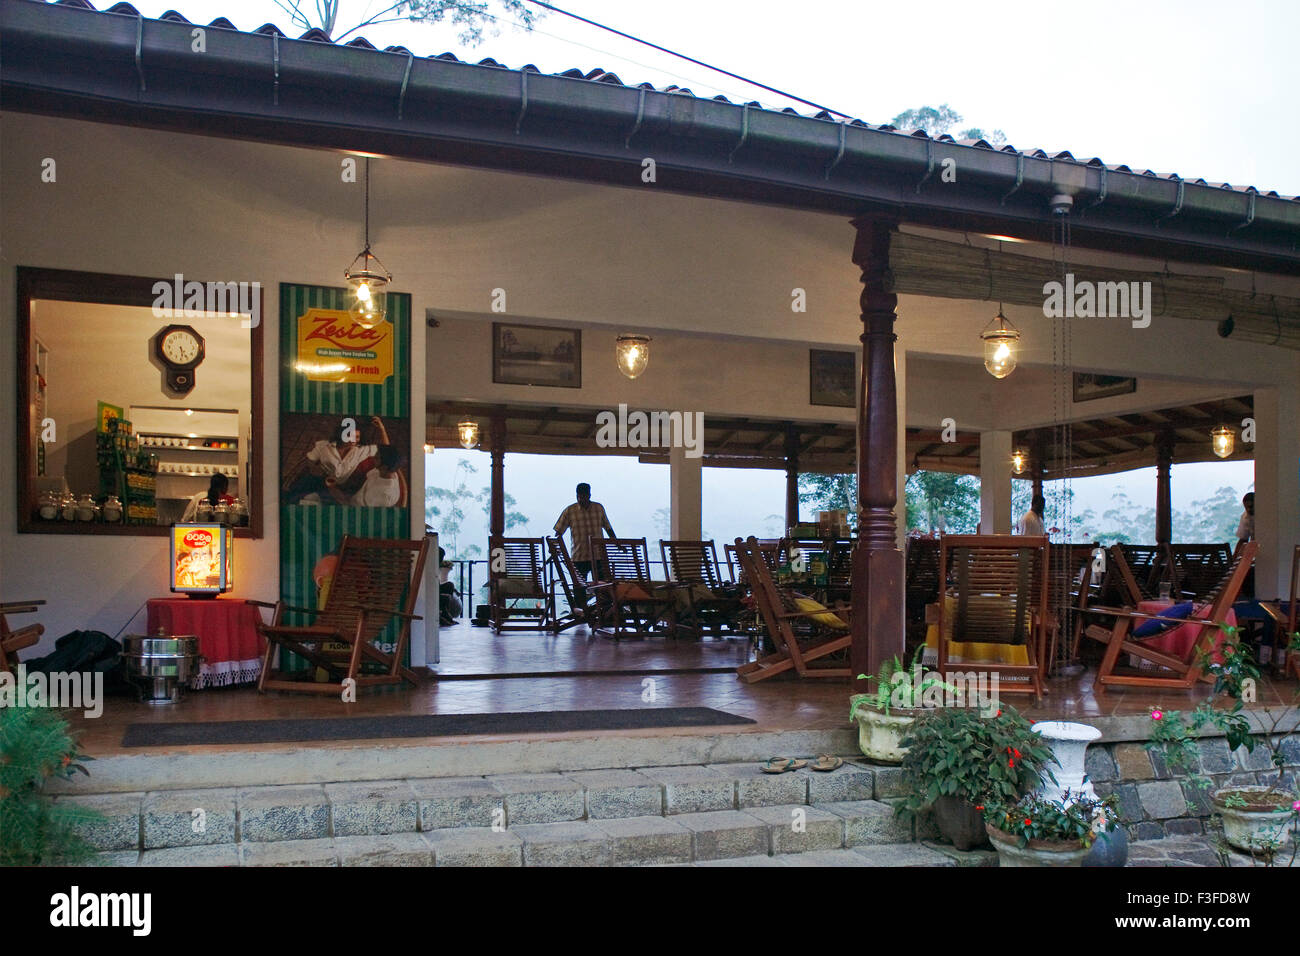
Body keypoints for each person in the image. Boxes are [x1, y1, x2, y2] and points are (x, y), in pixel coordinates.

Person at [287, 415, 389, 504]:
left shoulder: (361, 450)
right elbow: (310, 460)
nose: (353, 440)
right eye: (349, 435)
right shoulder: (324, 446)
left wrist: (382, 429)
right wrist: (316, 470)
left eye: (357, 437)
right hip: (322, 479)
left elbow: (387, 450)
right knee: (293, 494)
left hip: (340, 488)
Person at [553, 483, 617, 589]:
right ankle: (581, 606)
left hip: (598, 556)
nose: (580, 499)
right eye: (579, 496)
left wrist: (616, 544)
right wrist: (557, 549)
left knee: (603, 589)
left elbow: (608, 528)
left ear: (589, 495)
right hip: (579, 557)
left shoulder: (599, 508)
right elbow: (558, 533)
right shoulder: (569, 511)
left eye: (583, 496)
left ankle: (602, 605)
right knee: (579, 588)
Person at [327, 444, 406, 507]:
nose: (373, 457)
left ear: (384, 466)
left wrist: (335, 491)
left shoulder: (385, 495)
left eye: (377, 457)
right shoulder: (384, 470)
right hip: (352, 498)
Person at [438, 547, 461, 626]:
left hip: (436, 590)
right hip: (432, 592)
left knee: (450, 585)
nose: (442, 559)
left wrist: (454, 590)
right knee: (445, 597)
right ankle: (445, 615)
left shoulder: (437, 566)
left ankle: (446, 613)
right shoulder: (431, 565)